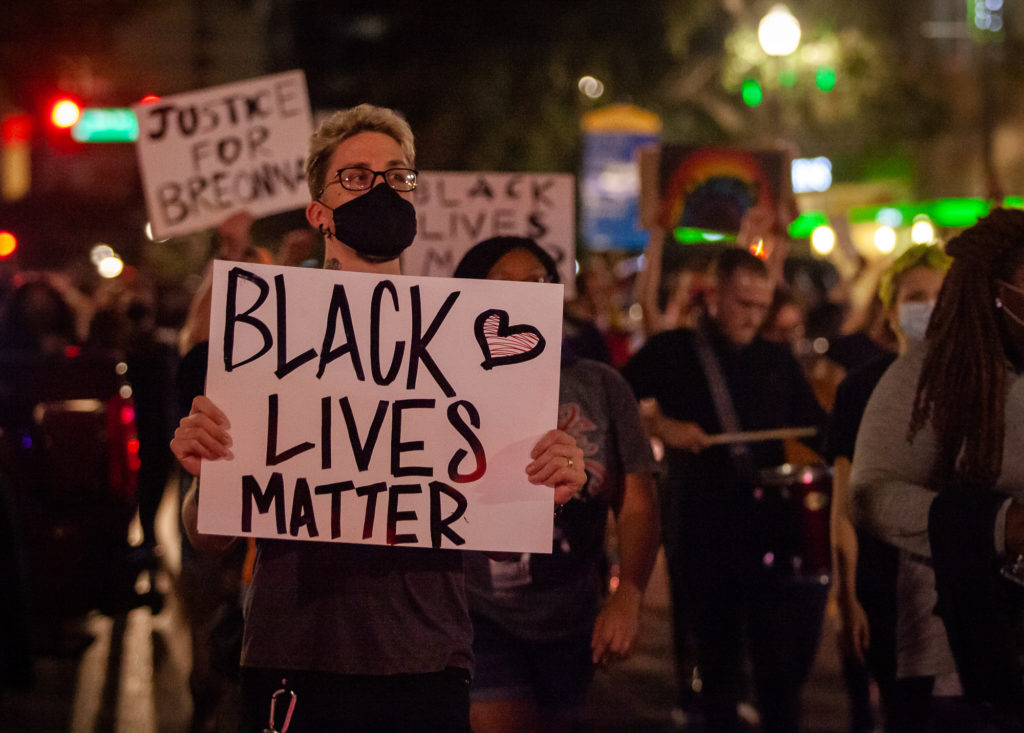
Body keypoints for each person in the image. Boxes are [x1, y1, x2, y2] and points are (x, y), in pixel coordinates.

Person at [170, 104, 587, 732]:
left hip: (426, 660)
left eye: (397, 175)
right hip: (295, 657)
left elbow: (496, 534)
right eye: (357, 177)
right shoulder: (266, 336)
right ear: (319, 213)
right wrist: (207, 474)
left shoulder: (465, 340)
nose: (382, 188)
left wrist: (547, 485)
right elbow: (210, 536)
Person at [451, 236, 661, 732]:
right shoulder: (440, 382)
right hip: (474, 613)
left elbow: (636, 500)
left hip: (572, 613)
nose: (524, 296)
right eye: (504, 285)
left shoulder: (603, 387)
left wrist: (628, 593)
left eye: (539, 284)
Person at [621, 247, 827, 733]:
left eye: (761, 307)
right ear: (713, 297)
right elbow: (614, 399)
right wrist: (661, 424)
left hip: (769, 532)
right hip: (702, 529)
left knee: (779, 664)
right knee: (717, 662)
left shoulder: (775, 359)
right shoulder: (674, 350)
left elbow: (817, 428)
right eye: (742, 304)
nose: (754, 318)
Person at [851, 209, 1024, 730]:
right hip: (962, 657)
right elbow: (869, 496)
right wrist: (1000, 525)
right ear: (995, 294)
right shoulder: (926, 376)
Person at [826, 243, 951, 732]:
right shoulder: (860, 389)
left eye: (940, 295)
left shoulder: (980, 382)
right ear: (891, 309)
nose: (929, 307)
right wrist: (848, 594)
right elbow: (845, 504)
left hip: (959, 582)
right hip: (885, 587)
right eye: (916, 296)